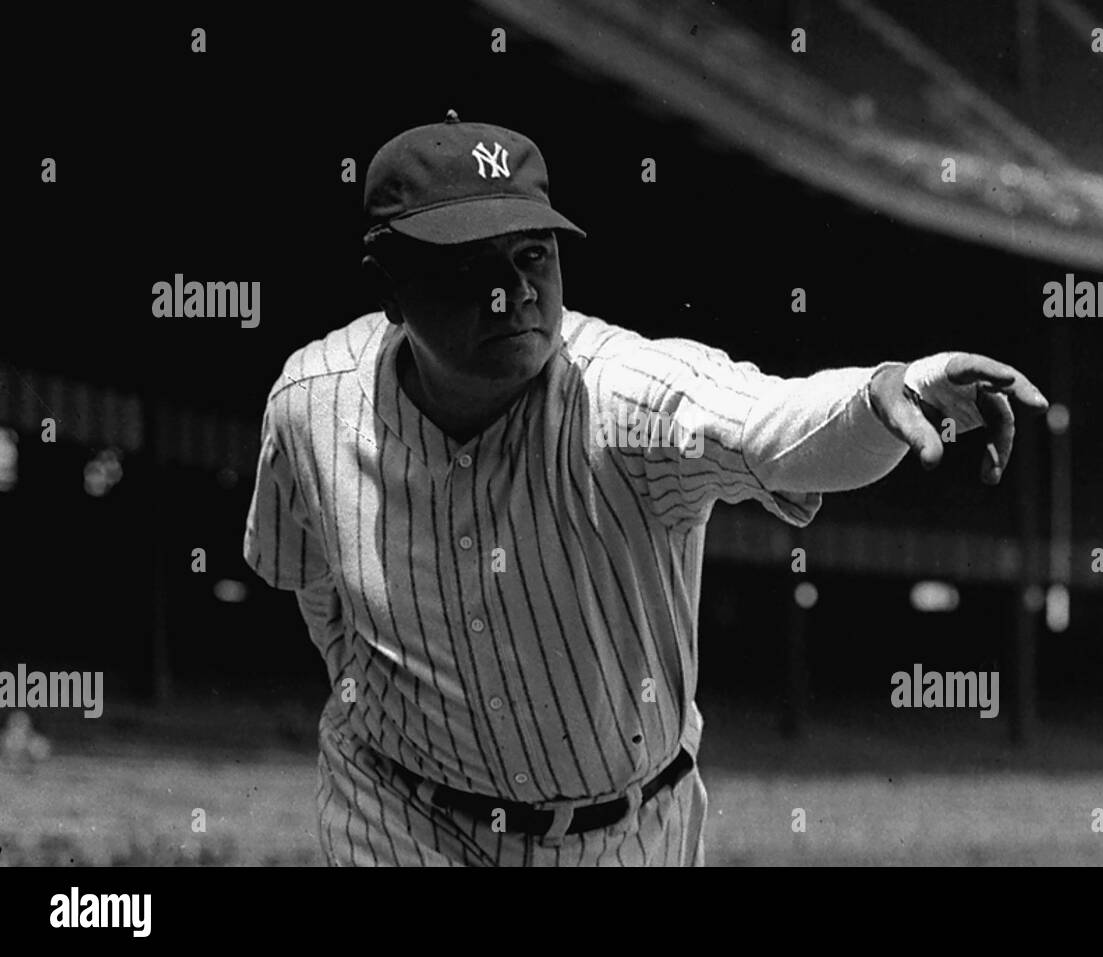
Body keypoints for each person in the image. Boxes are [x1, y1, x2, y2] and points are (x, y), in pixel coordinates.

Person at [243, 110, 1047, 866]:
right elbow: (312, 577)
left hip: (623, 834)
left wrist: (883, 394)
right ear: (388, 285)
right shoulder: (312, 402)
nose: (515, 289)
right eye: (470, 262)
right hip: (395, 814)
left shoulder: (623, 394)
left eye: (533, 254)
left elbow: (769, 420)